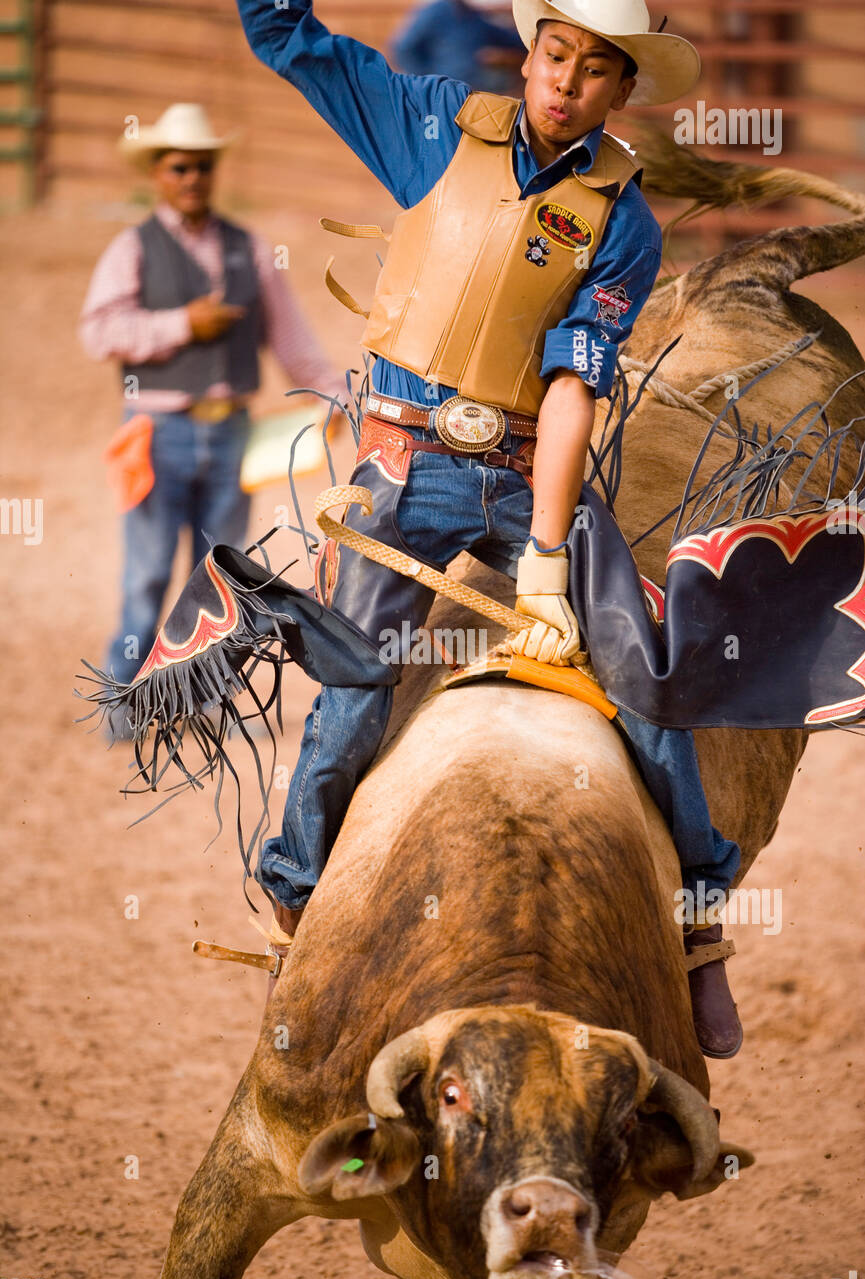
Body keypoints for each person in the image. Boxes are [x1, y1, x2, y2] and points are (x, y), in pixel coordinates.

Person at [235, 0, 743, 1059]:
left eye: (594, 70)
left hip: (522, 469)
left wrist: (551, 556)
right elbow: (289, 39)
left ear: (619, 91)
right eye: (555, 56)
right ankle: (297, 905)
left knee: (641, 666)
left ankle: (698, 922)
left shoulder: (622, 220)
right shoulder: (426, 127)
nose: (565, 82)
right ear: (532, 54)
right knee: (353, 682)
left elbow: (571, 390)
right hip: (406, 458)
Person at [79, 102, 347, 713]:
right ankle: (124, 707)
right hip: (155, 432)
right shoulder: (133, 249)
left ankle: (209, 707)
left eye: (202, 166)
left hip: (231, 435)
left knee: (223, 580)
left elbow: (294, 342)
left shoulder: (249, 250)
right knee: (146, 575)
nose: (192, 178)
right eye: (179, 167)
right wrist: (182, 324)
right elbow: (99, 332)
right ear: (157, 172)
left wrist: (336, 397)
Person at [391, 0, 524, 94]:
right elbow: (404, 49)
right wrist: (428, 80)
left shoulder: (472, 14)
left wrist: (530, 38)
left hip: (477, 85)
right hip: (447, 87)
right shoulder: (436, 12)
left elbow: (503, 37)